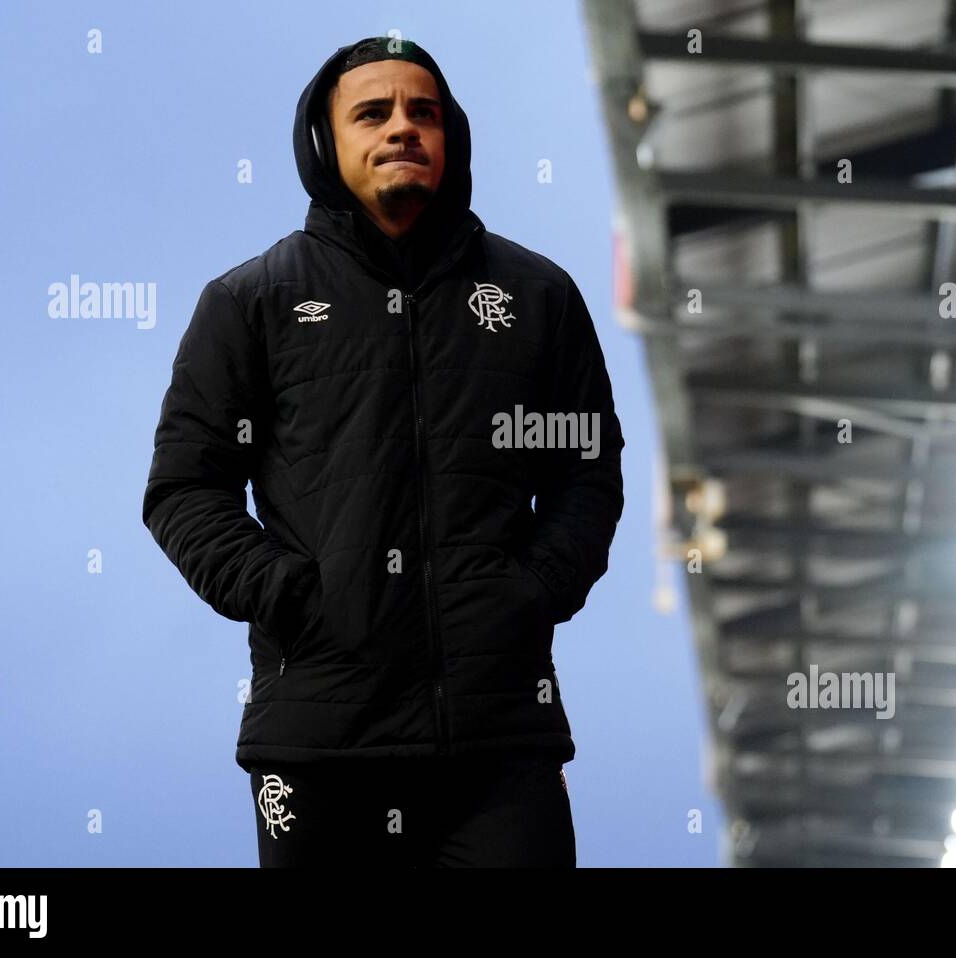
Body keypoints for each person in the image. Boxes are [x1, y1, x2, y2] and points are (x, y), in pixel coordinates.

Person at [141, 36, 624, 867]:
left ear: (452, 139)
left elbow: (588, 472)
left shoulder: (535, 294)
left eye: (424, 113)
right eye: (374, 112)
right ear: (327, 144)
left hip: (501, 745)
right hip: (317, 745)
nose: (404, 128)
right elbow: (185, 489)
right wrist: (288, 594)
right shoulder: (250, 301)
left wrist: (531, 591)